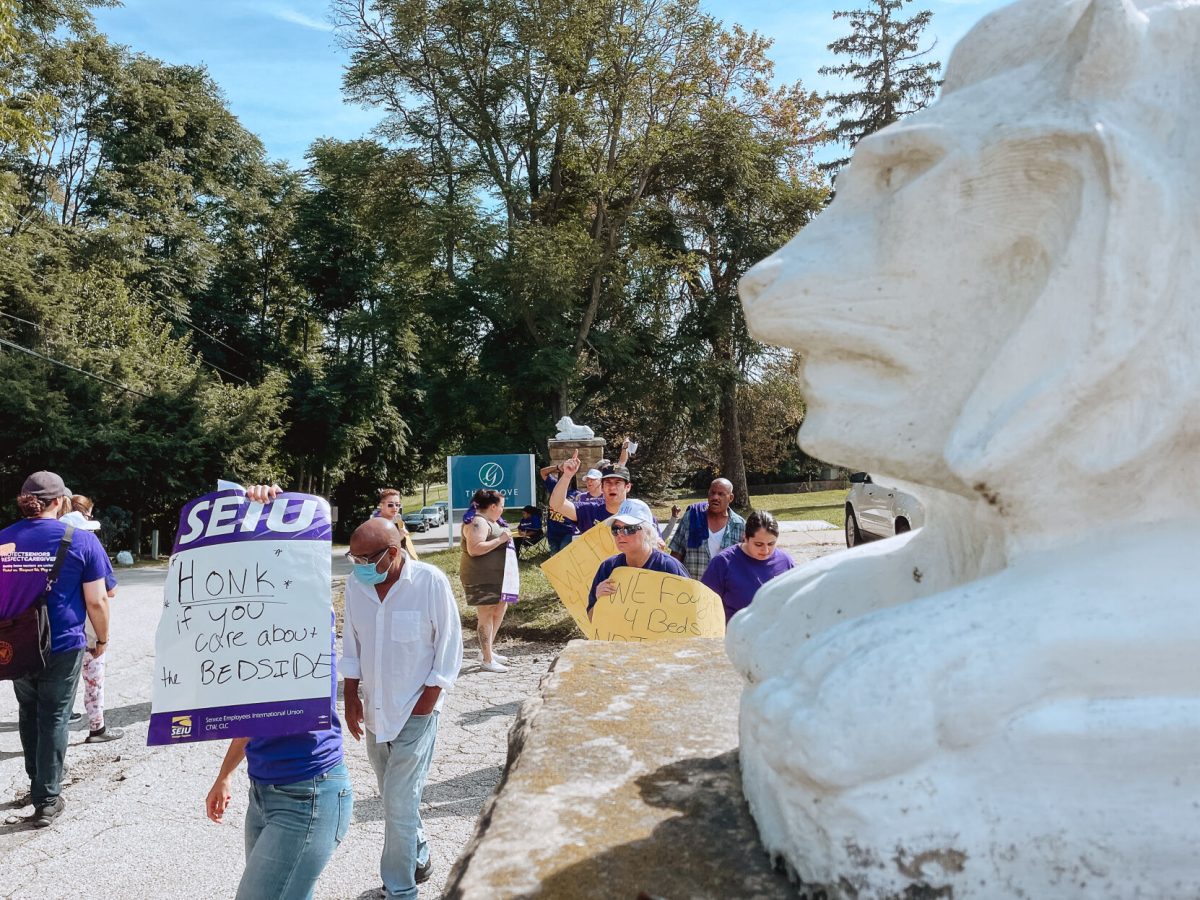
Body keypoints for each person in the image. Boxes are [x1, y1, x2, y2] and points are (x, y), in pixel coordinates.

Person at [205, 484, 352, 900]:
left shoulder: (307, 616)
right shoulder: (244, 633)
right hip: (263, 791)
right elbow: (252, 717)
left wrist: (273, 508)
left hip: (308, 794)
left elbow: (292, 555)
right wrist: (225, 774)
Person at [341, 517, 463, 900]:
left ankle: (400, 890)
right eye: (352, 557)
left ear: (393, 553)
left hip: (418, 709)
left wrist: (425, 709)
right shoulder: (355, 585)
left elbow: (448, 650)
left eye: (365, 558)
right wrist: (350, 697)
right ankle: (420, 855)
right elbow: (352, 644)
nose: (358, 565)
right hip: (376, 710)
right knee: (396, 797)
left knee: (396, 800)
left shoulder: (429, 582)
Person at [0, 471, 110, 827]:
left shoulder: (4, 540)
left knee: (28, 710)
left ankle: (38, 784)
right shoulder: (80, 540)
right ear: (61, 501)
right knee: (55, 715)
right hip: (63, 643)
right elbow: (98, 602)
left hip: (16, 642)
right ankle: (47, 799)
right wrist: (102, 640)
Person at [61, 494, 123, 743]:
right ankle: (97, 727)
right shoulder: (88, 542)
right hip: (87, 626)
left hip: (56, 624)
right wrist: (103, 638)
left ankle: (58, 728)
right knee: (93, 677)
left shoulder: (49, 538)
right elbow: (107, 592)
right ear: (85, 516)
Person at [587, 504, 689, 620]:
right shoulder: (608, 567)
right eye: (615, 529)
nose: (620, 534)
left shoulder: (669, 567)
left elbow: (691, 615)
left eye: (629, 529)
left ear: (647, 531)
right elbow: (591, 619)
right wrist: (599, 598)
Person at [701, 510, 796, 623]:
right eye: (758, 544)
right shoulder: (722, 563)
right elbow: (703, 606)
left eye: (771, 544)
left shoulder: (786, 562)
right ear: (745, 538)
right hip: (734, 636)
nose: (765, 550)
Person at [459, 489, 516, 673]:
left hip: (497, 577)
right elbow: (475, 548)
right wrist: (501, 539)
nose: (502, 510)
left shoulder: (489, 521)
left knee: (500, 608)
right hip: (481, 578)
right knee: (486, 614)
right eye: (501, 506)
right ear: (492, 506)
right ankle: (487, 660)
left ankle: (487, 650)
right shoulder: (478, 522)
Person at [549, 453, 655, 535]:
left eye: (617, 483)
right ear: (602, 487)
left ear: (627, 487)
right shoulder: (590, 511)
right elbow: (557, 505)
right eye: (608, 483)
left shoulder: (640, 514)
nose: (612, 487)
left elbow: (655, 545)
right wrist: (567, 476)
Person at [669, 478, 746, 580]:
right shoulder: (692, 518)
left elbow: (745, 564)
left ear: (730, 498)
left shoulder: (740, 525)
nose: (715, 497)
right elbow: (676, 555)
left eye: (721, 494)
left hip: (724, 592)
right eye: (712, 493)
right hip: (692, 590)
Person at [539, 462, 580, 554]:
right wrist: (558, 467)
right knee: (554, 556)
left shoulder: (577, 494)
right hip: (553, 531)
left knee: (564, 554)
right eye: (562, 474)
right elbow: (543, 472)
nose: (564, 476)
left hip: (568, 531)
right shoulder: (554, 486)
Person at [372, 488, 418, 560]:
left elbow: (406, 543)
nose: (395, 508)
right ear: (381, 506)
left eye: (397, 505)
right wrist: (399, 537)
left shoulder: (399, 520)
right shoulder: (375, 525)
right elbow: (378, 551)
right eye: (390, 505)